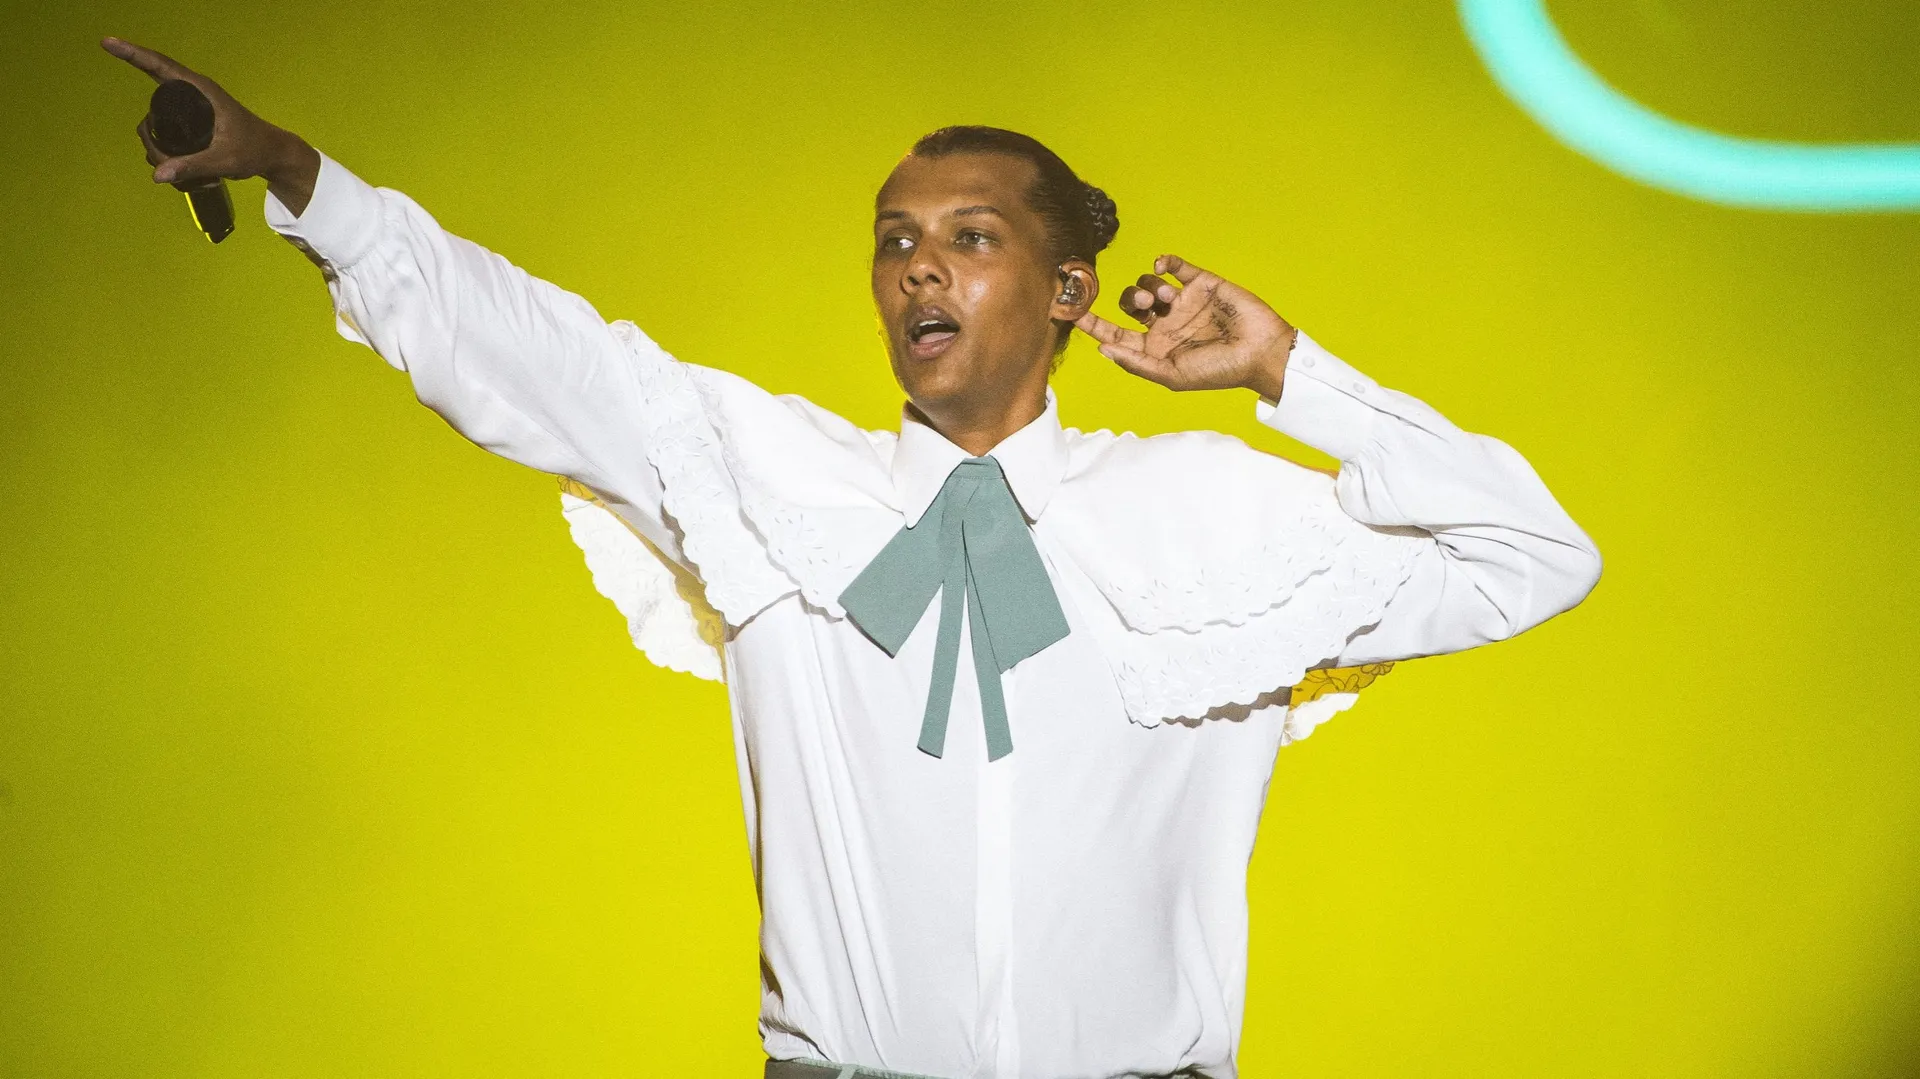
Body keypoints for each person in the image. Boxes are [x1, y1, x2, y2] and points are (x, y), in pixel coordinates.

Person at [105, 35, 1602, 1079]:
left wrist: (1294, 377)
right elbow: (528, 343)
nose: (920, 266)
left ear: (1073, 288)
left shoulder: (1207, 514)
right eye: (895, 239)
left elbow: (1535, 552)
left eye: (970, 235)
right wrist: (306, 178)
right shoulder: (767, 475)